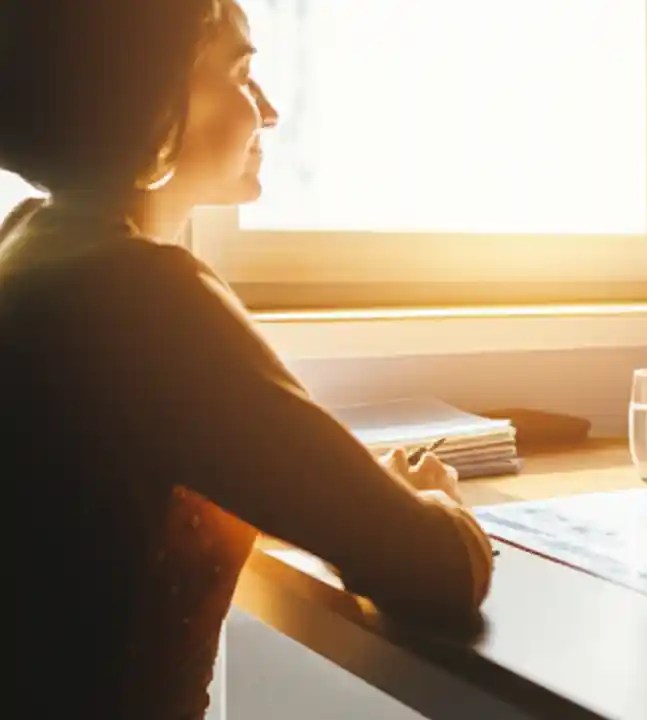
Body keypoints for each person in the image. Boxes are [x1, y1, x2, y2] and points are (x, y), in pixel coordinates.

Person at [0, 1, 493, 717]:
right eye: (240, 72)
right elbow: (436, 568)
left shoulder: (27, 247)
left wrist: (360, 498)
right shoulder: (147, 299)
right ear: (152, 90)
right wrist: (439, 503)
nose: (268, 111)